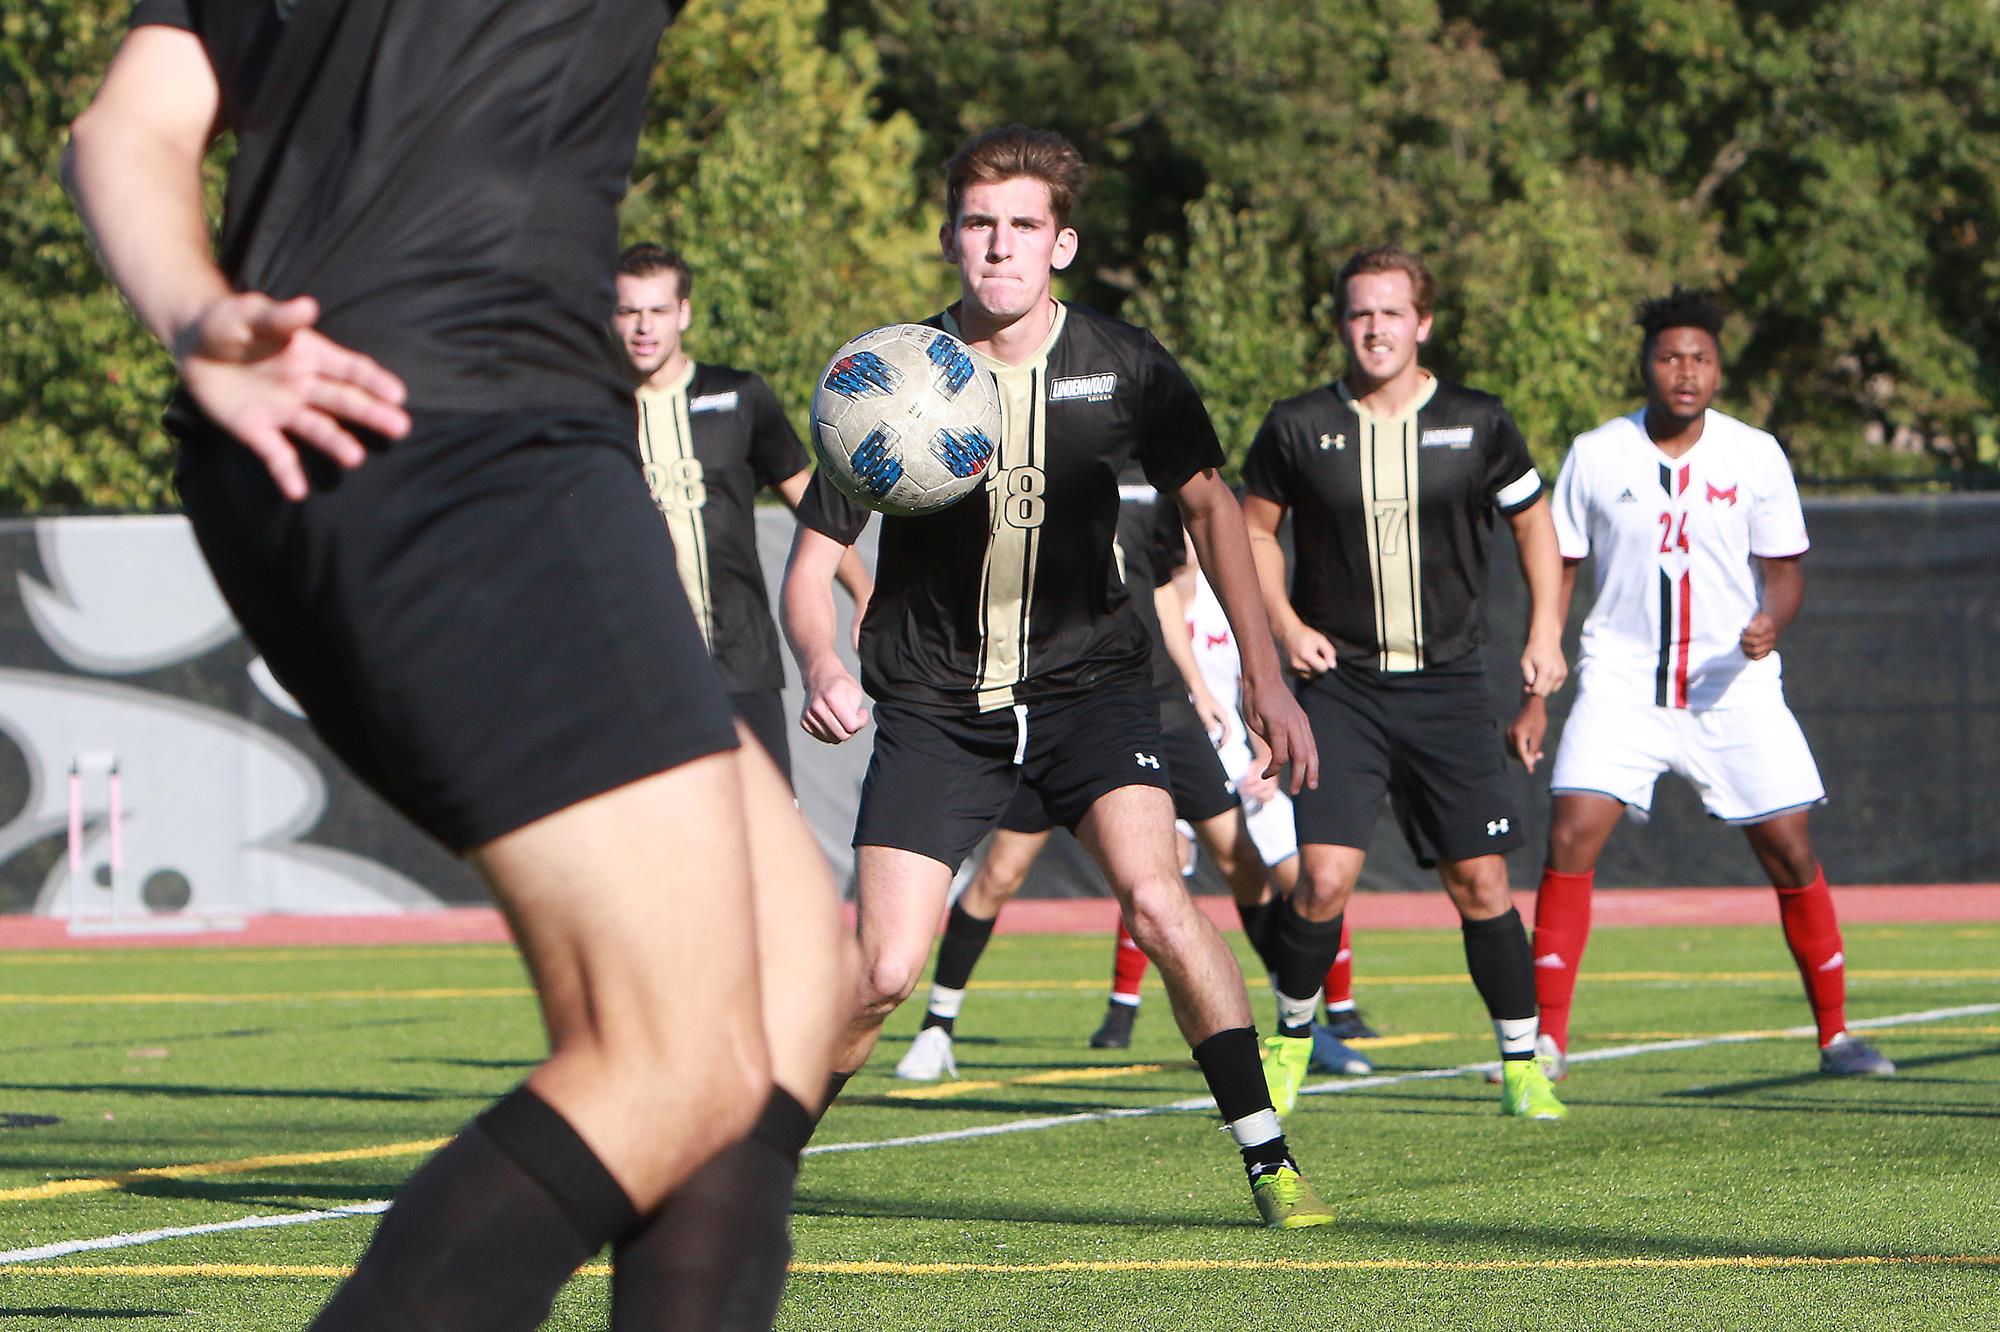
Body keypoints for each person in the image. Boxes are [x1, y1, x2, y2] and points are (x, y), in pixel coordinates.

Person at [64, 4, 854, 1328]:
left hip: (322, 423)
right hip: (466, 438)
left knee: (785, 996)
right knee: (669, 1059)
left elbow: (124, 126)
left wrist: (201, 320)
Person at [783, 125, 1333, 1228]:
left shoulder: (1127, 367)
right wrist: (820, 659)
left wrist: (1265, 679)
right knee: (883, 968)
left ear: (1060, 243)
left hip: (1093, 690)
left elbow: (1210, 510)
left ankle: (1269, 1161)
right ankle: (755, 1164)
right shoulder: (884, 377)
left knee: (1156, 900)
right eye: (979, 225)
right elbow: (808, 567)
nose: (998, 246)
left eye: (1022, 226)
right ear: (948, 239)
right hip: (937, 704)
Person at [1509, 287, 1895, 1081]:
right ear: (1645, 366)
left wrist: (1771, 623)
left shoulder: (1755, 453)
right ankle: (1544, 1045)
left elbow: (1784, 573)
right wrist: (1538, 688)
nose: (1685, 371)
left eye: (1701, 358)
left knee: (1789, 849)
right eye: (1669, 356)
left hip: (1733, 688)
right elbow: (1559, 572)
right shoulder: (1596, 452)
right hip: (1621, 686)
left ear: (1718, 370)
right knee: (1570, 836)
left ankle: (1836, 1036)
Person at [1241, 244, 1569, 1121]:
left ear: (1422, 323)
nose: (1375, 328)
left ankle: (1521, 1064)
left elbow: (1538, 529)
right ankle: (1293, 1043)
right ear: (1342, 325)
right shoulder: (1297, 425)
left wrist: (1545, 633)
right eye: (1359, 313)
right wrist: (1286, 626)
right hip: (1341, 690)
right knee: (1322, 880)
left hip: (1451, 686)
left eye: (1391, 312)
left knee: (1483, 885)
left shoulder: (1479, 421)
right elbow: (1253, 534)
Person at [891, 482, 1370, 1078]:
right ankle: (937, 1028)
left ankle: (1297, 1026)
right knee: (1002, 872)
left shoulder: (1155, 475)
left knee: (1240, 858)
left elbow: (1167, 587)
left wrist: (1196, 686)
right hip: (1059, 703)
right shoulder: (1037, 453)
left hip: (1158, 702)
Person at [614, 244, 871, 781]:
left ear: (683, 312)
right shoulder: (590, 412)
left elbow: (815, 507)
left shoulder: (739, 396)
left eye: (657, 310)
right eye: (628, 310)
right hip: (636, 676)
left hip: (741, 663)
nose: (643, 326)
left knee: (769, 843)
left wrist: (865, 592)